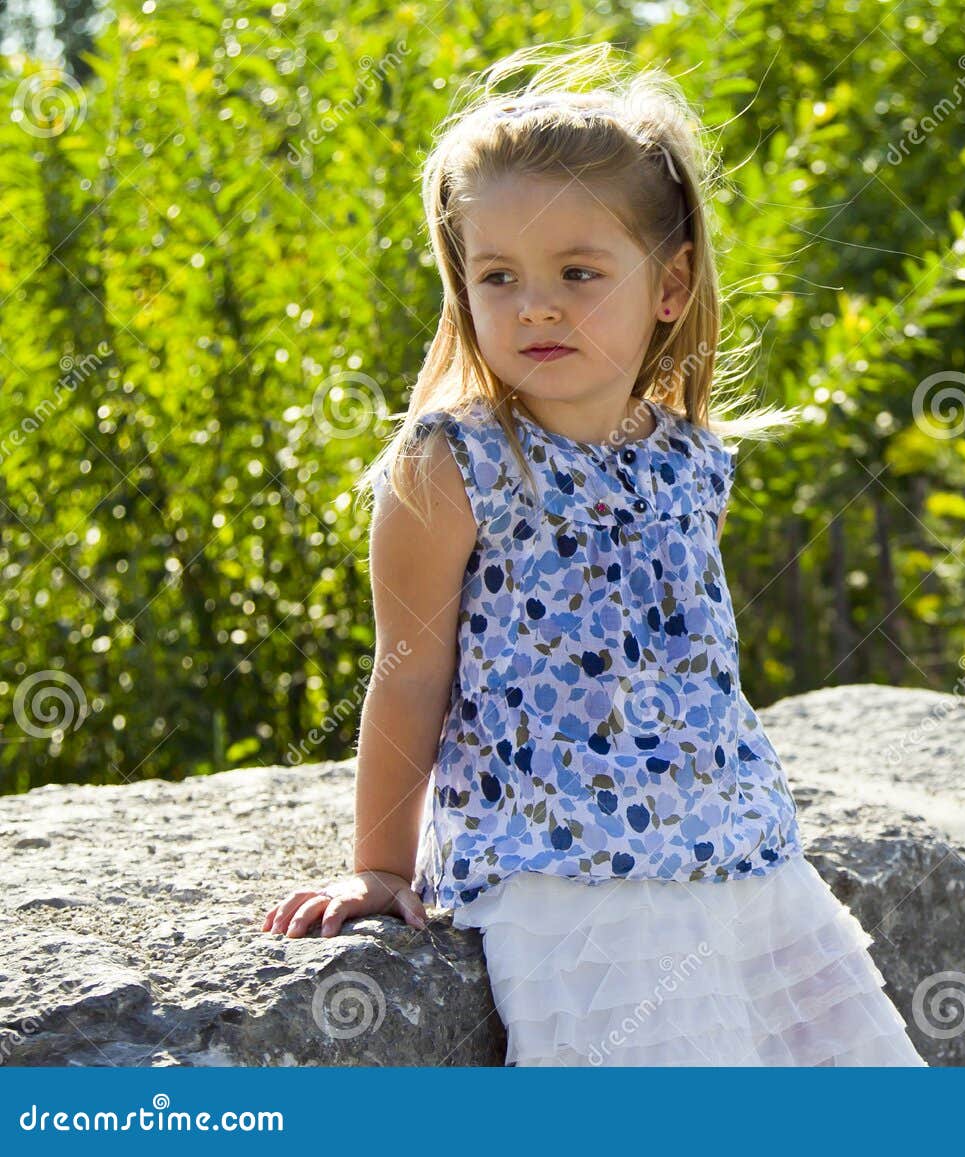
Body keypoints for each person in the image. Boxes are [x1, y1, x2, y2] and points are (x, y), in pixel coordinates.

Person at [261, 43, 927, 1068]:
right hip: (566, 872)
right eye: (499, 275)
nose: (537, 304)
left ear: (667, 286)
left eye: (579, 273)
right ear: (461, 284)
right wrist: (380, 866)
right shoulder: (453, 463)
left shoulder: (690, 459)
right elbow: (410, 668)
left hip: (739, 851)